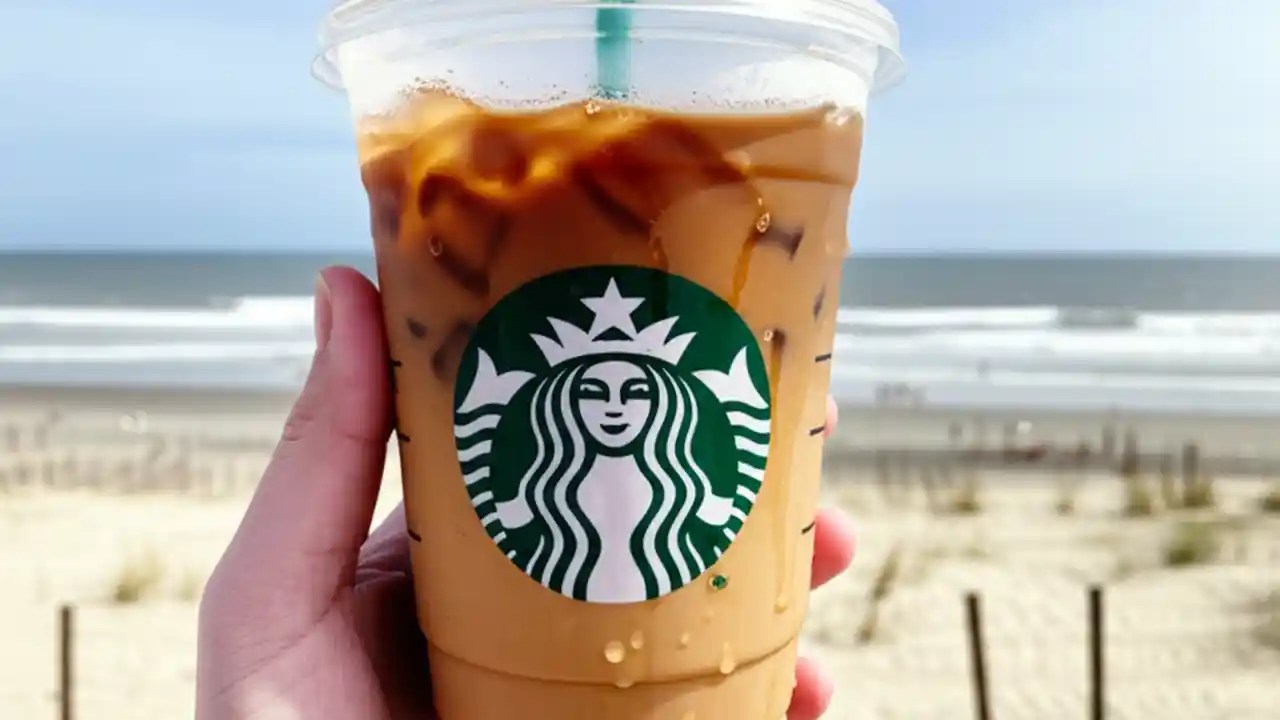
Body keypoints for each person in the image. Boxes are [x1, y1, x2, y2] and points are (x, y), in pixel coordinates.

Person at [196, 266, 857, 719]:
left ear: (667, 404)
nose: (615, 407)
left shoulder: (689, 504)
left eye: (636, 391)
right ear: (562, 403)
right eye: (593, 391)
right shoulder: (534, 505)